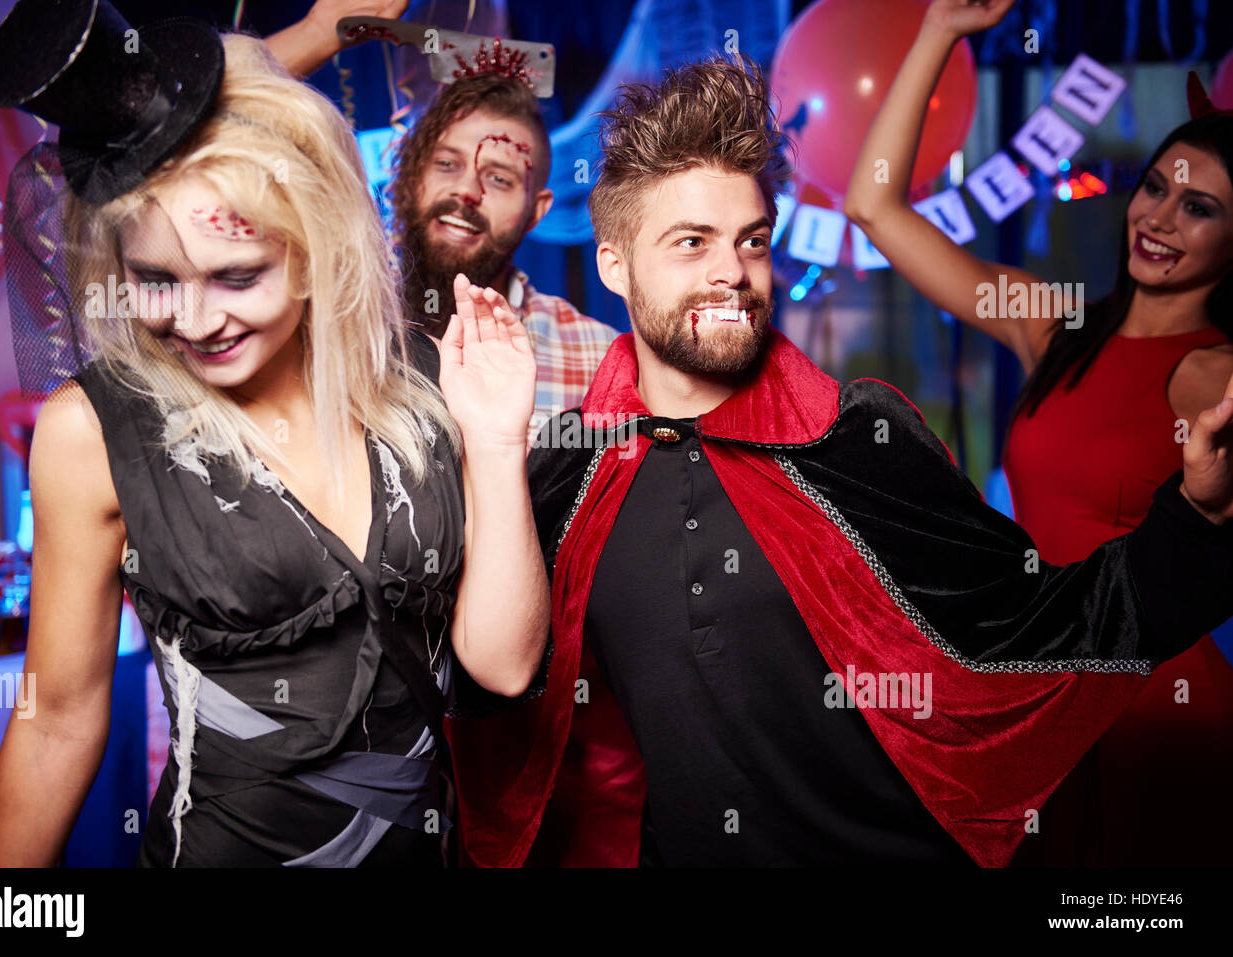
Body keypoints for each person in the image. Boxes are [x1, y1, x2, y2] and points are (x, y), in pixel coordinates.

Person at [444, 55, 1233, 868]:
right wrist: (497, 444)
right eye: (691, 242)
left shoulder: (853, 437)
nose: (732, 271)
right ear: (614, 265)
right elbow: (501, 674)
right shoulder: (574, 472)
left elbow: (1039, 618)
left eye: (751, 241)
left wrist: (1199, 519)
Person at [0, 0, 547, 867]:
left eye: (238, 275)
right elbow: (55, 719)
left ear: (314, 248)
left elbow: (503, 668)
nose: (197, 320)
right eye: (154, 279)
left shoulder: (424, 377)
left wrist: (498, 444)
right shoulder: (90, 433)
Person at [843, 0, 1233, 865]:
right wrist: (938, 33)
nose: (1160, 217)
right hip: (1035, 687)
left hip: (1155, 704)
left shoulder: (1218, 372)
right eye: (1158, 185)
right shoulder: (1050, 325)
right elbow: (873, 206)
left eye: (1199, 206)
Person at [265, 3, 618, 444]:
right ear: (409, 175)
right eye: (447, 163)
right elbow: (186, 133)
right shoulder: (323, 309)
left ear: (536, 210)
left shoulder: (596, 360)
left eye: (499, 178)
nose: (467, 190)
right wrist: (317, 32)